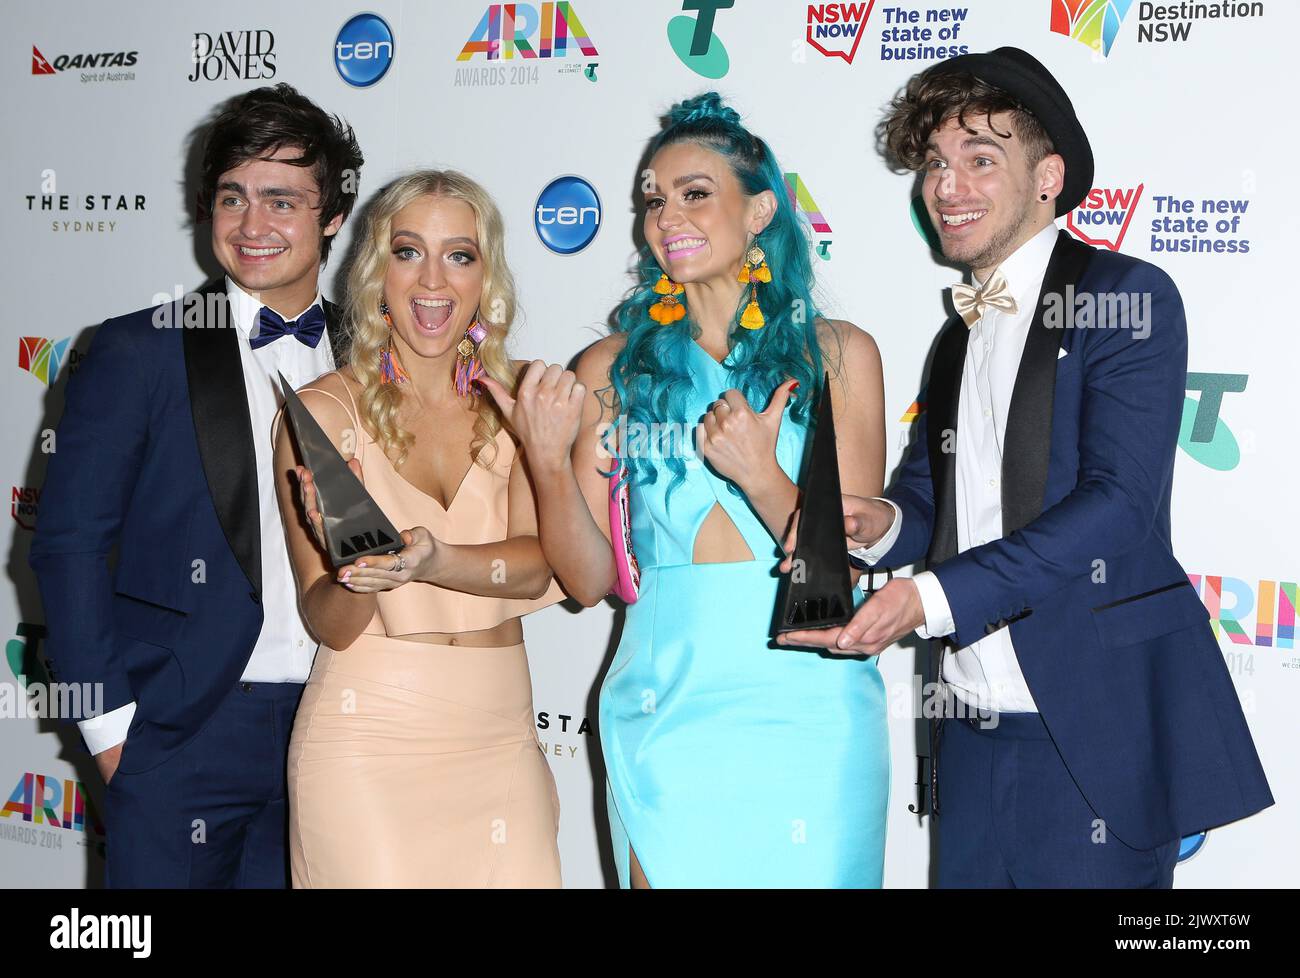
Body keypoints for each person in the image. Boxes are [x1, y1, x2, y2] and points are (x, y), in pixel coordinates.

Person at [780, 47, 1274, 887]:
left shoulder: (1127, 296)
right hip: (969, 737)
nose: (947, 185)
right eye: (936, 162)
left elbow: (1116, 508)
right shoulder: (956, 335)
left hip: (1092, 740)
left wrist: (926, 599)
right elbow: (936, 495)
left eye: (981, 158)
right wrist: (882, 523)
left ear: (1049, 176)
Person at [481, 93, 890, 888]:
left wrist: (762, 475)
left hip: (812, 706)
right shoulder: (610, 369)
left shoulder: (841, 355)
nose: (666, 215)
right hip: (666, 707)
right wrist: (541, 456)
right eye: (653, 199)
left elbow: (844, 563)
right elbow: (587, 579)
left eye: (695, 192)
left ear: (762, 208)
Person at [28, 83, 364, 887]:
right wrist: (110, 731)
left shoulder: (376, 360)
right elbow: (68, 546)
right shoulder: (137, 352)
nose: (253, 226)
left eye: (282, 200)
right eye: (232, 197)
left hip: (340, 726)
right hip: (180, 728)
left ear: (332, 217)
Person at [276, 170, 566, 887]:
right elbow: (330, 623)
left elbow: (535, 567)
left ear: (486, 277)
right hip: (367, 742)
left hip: (500, 738)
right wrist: (362, 574)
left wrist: (429, 560)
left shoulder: (516, 396)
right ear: (378, 271)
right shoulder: (322, 411)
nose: (433, 279)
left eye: (460, 255)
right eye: (409, 251)